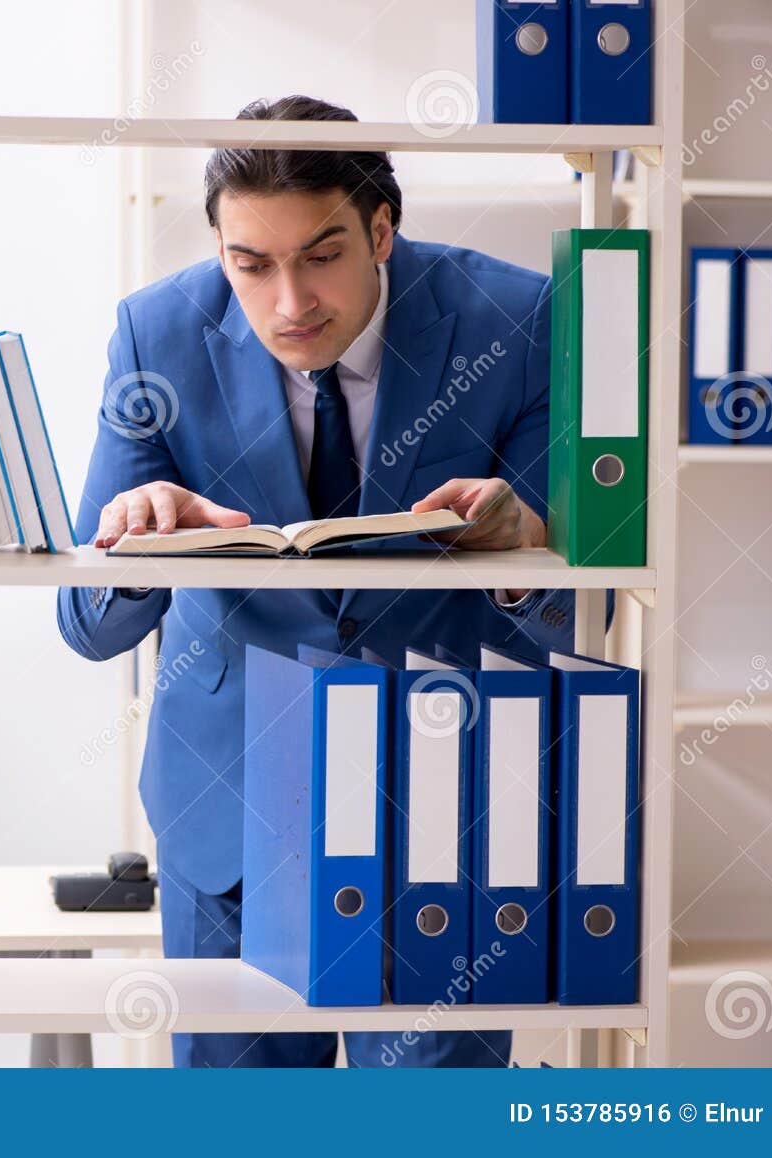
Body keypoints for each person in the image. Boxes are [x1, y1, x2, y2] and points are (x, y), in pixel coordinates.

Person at [57, 94, 594, 1069]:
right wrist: (136, 547)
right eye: (249, 264)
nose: (288, 304)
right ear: (217, 245)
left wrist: (528, 548)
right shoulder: (158, 334)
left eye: (321, 255)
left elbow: (582, 597)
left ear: (380, 229)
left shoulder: (516, 320)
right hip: (230, 802)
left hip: (445, 795)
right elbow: (86, 624)